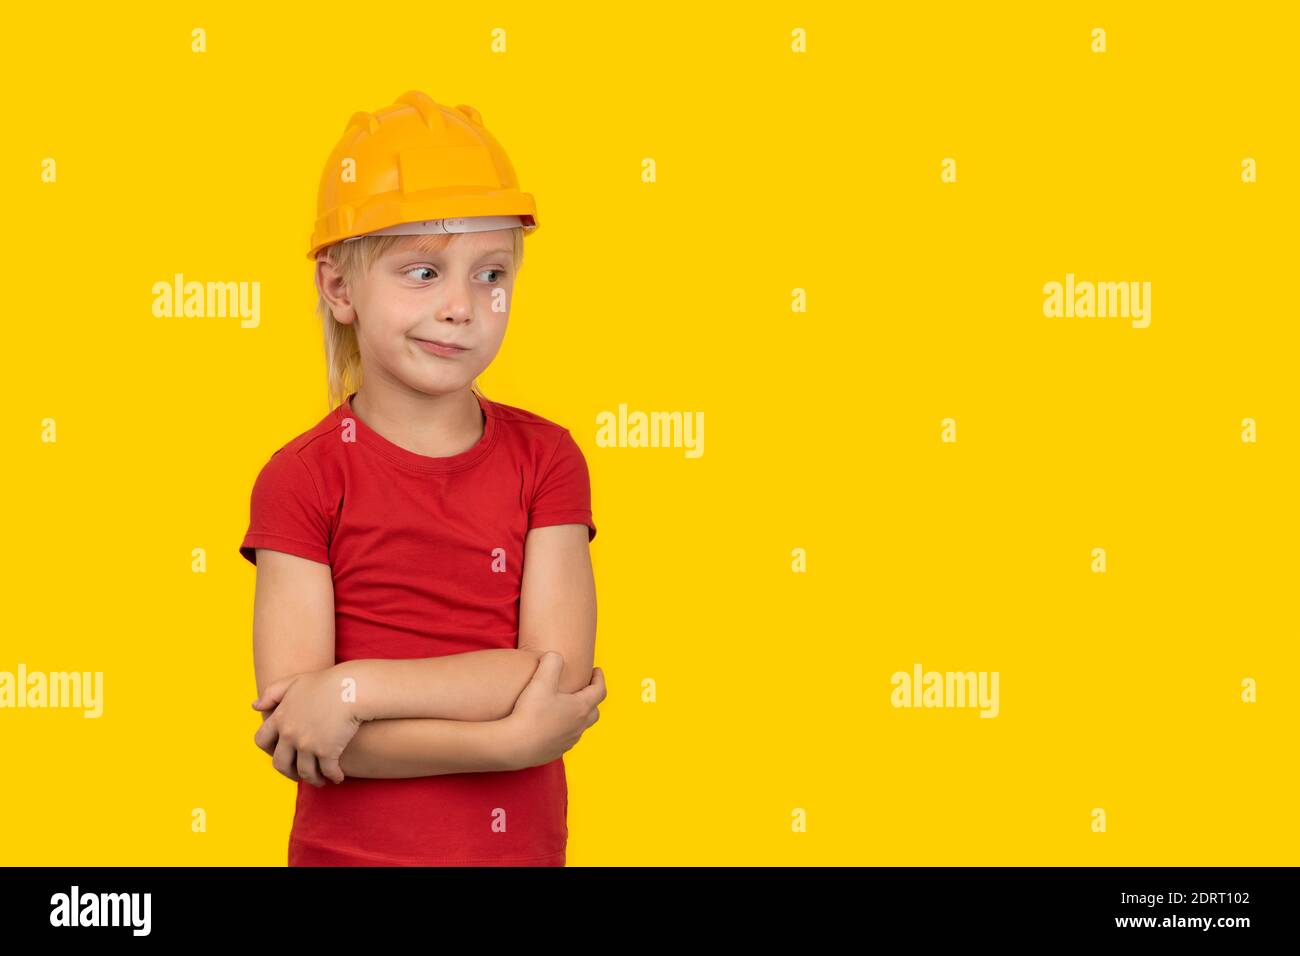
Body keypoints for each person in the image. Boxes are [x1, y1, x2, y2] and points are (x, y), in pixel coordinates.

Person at [239, 91, 604, 866]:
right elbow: (298, 733)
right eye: (423, 271)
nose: (462, 308)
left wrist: (353, 691)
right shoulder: (300, 479)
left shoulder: (548, 460)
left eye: (491, 273)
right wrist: (512, 741)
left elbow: (554, 675)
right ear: (340, 289)